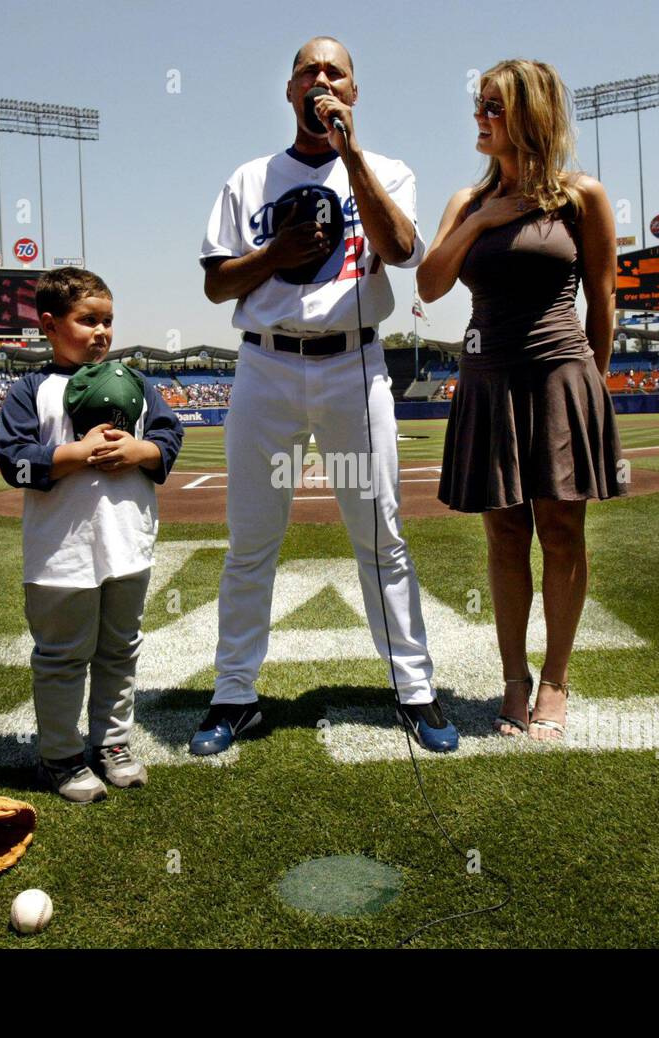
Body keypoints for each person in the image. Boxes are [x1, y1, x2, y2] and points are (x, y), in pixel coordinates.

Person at [193, 35, 458, 755]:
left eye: (334, 71)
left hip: (353, 362)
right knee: (251, 541)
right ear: (287, 91)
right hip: (266, 364)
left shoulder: (387, 169)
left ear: (353, 91)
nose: (320, 79)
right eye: (308, 71)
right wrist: (275, 256)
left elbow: (403, 251)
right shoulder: (251, 177)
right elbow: (217, 283)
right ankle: (234, 695)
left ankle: (414, 688)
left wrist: (350, 156)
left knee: (381, 536)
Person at [417, 59, 627, 742]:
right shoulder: (467, 203)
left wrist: (591, 382)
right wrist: (484, 222)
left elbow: (605, 297)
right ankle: (514, 680)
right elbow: (429, 284)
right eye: (478, 106)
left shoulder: (581, 196)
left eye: (494, 108)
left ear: (531, 115)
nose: (480, 118)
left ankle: (556, 681)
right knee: (506, 532)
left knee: (563, 528)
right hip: (488, 377)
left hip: (563, 373)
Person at [0, 267, 184, 802]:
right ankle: (59, 756)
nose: (101, 332)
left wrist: (142, 451)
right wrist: (74, 455)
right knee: (61, 657)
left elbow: (169, 436)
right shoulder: (31, 390)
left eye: (108, 321)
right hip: (61, 556)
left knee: (120, 650)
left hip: (128, 545)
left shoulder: (137, 382)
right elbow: (14, 463)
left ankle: (112, 744)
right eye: (88, 320)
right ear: (50, 325)